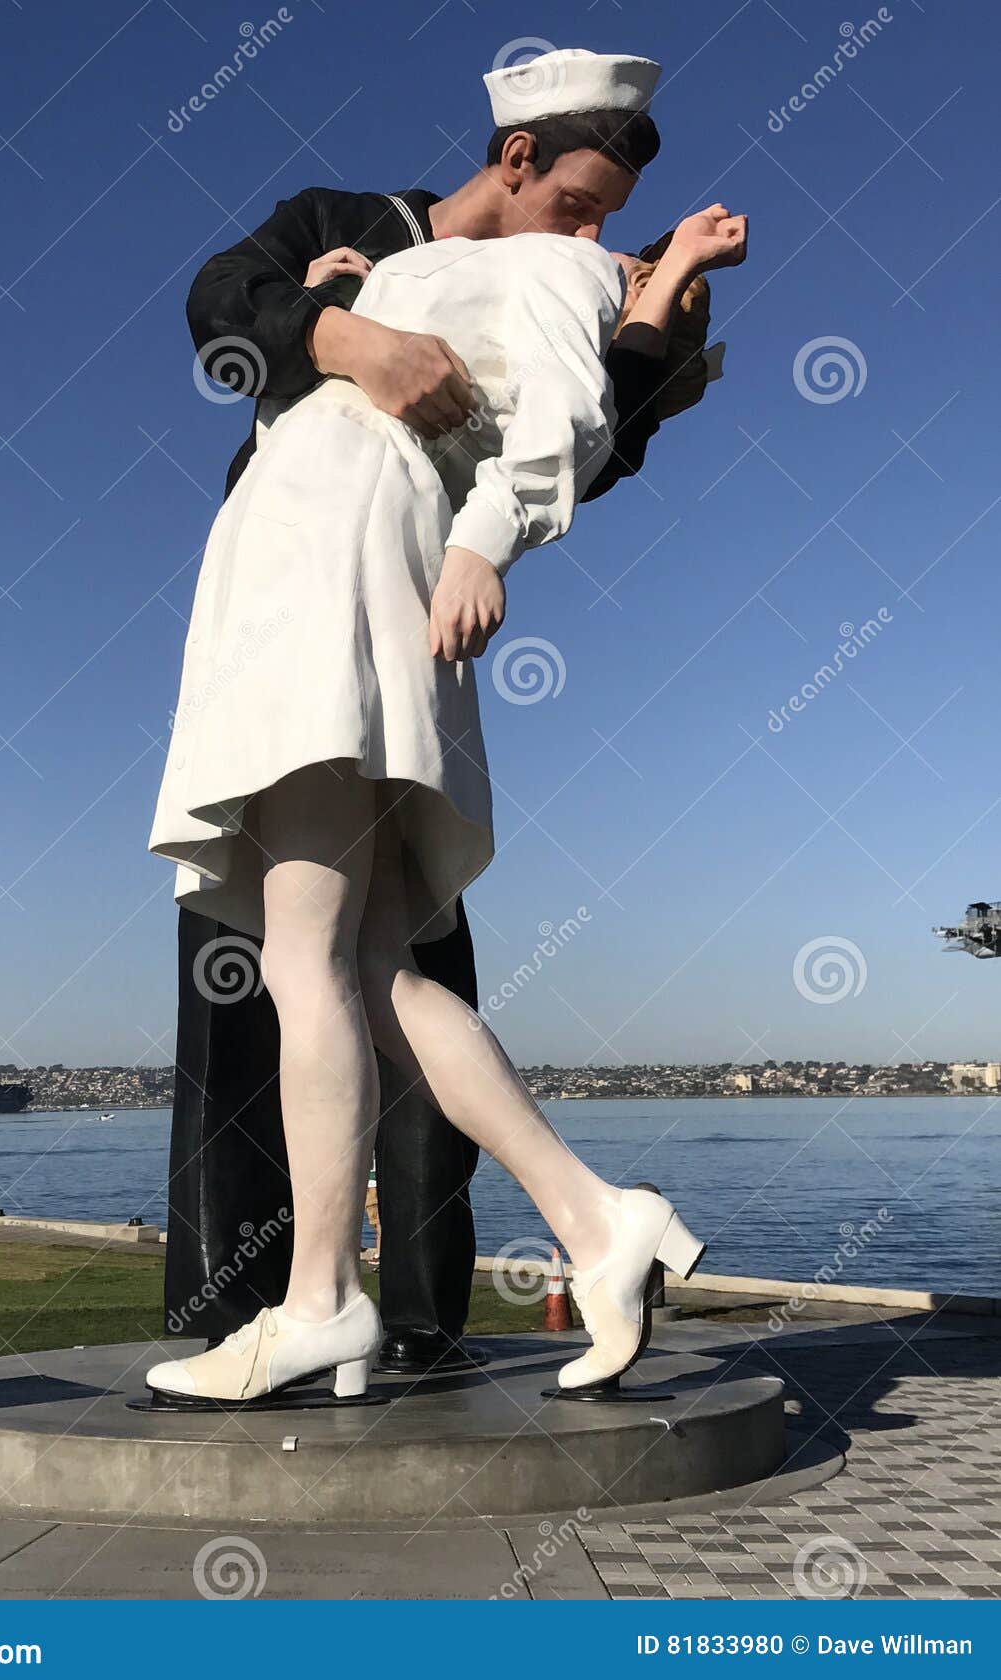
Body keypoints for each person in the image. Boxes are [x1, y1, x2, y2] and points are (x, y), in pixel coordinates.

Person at [143, 107, 748, 1404]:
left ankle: (322, 1301)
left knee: (310, 955)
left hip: (334, 550)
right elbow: (222, 301)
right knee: (367, 965)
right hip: (335, 544)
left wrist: (488, 534)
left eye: (617, 230)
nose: (598, 234)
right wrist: (341, 312)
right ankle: (593, 1222)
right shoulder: (391, 247)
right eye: (583, 201)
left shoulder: (553, 267)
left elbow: (585, 418)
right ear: (517, 158)